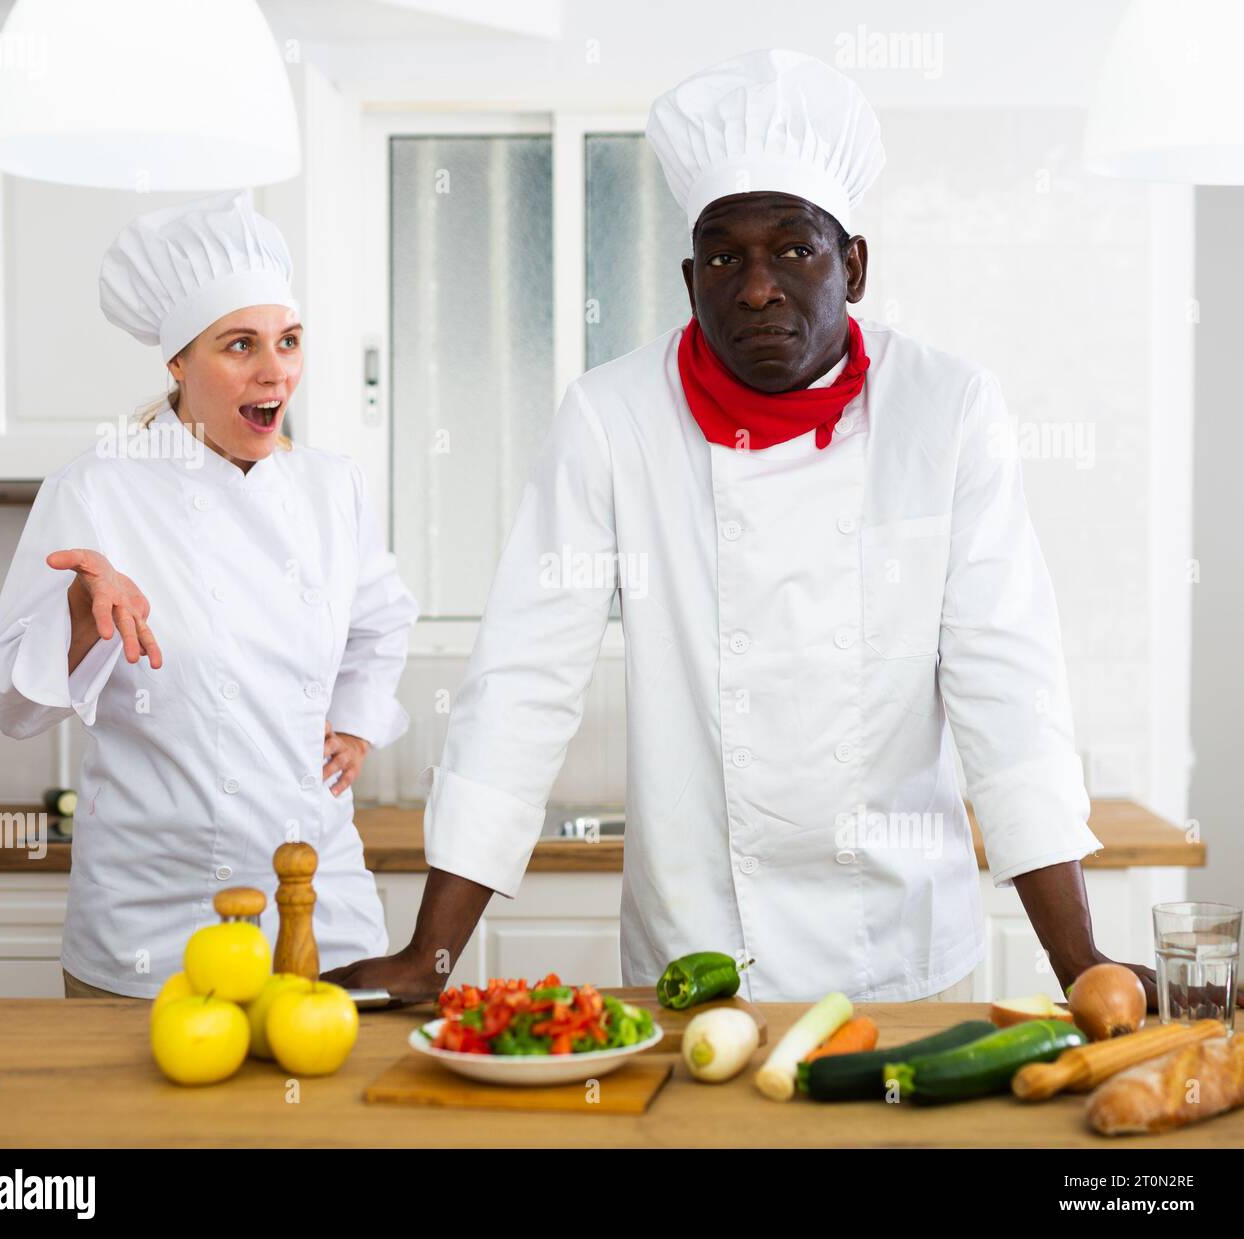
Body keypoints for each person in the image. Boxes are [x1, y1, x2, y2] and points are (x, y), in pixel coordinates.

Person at [322, 50, 1158, 1005]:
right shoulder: (611, 418)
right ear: (690, 278)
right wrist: (432, 955)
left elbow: (1007, 681)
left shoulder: (948, 407)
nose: (757, 286)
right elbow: (522, 682)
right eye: (725, 256)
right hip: (699, 942)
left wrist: (1078, 959)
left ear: (854, 265)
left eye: (794, 249)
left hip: (899, 953)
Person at [0, 190, 418, 999]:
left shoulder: (332, 488)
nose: (275, 369)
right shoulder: (98, 488)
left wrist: (355, 723)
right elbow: (13, 700)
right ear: (178, 362)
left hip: (318, 914)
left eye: (288, 341)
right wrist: (79, 618)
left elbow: (381, 620)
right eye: (240, 344)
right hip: (150, 926)